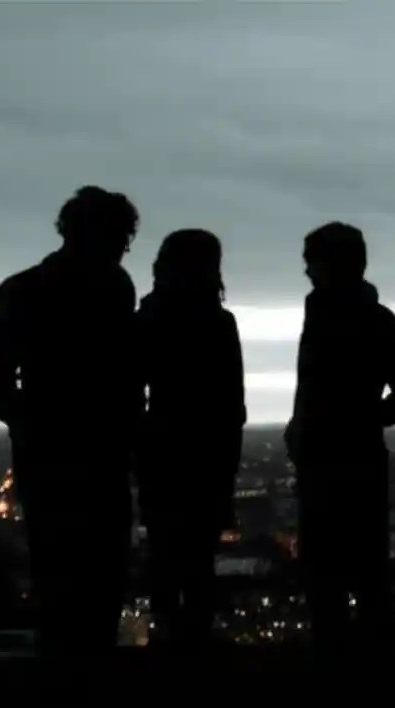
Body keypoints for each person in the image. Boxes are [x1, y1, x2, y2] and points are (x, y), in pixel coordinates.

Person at [0, 186, 142, 657]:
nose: (120, 248)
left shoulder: (23, 289)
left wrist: (27, 422)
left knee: (58, 577)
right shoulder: (114, 286)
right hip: (100, 454)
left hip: (51, 456)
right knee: (100, 580)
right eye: (120, 237)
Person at [285, 222, 395, 653]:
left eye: (313, 263)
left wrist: (352, 421)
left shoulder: (371, 321)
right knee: (336, 574)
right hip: (332, 461)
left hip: (351, 463)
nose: (307, 272)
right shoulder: (334, 316)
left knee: (357, 576)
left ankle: (360, 665)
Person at [136, 229, 245, 650]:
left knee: (164, 555)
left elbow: (129, 389)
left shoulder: (149, 317)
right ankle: (195, 641)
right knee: (199, 561)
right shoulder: (219, 322)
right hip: (209, 456)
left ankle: (166, 636)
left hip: (162, 453)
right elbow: (232, 406)